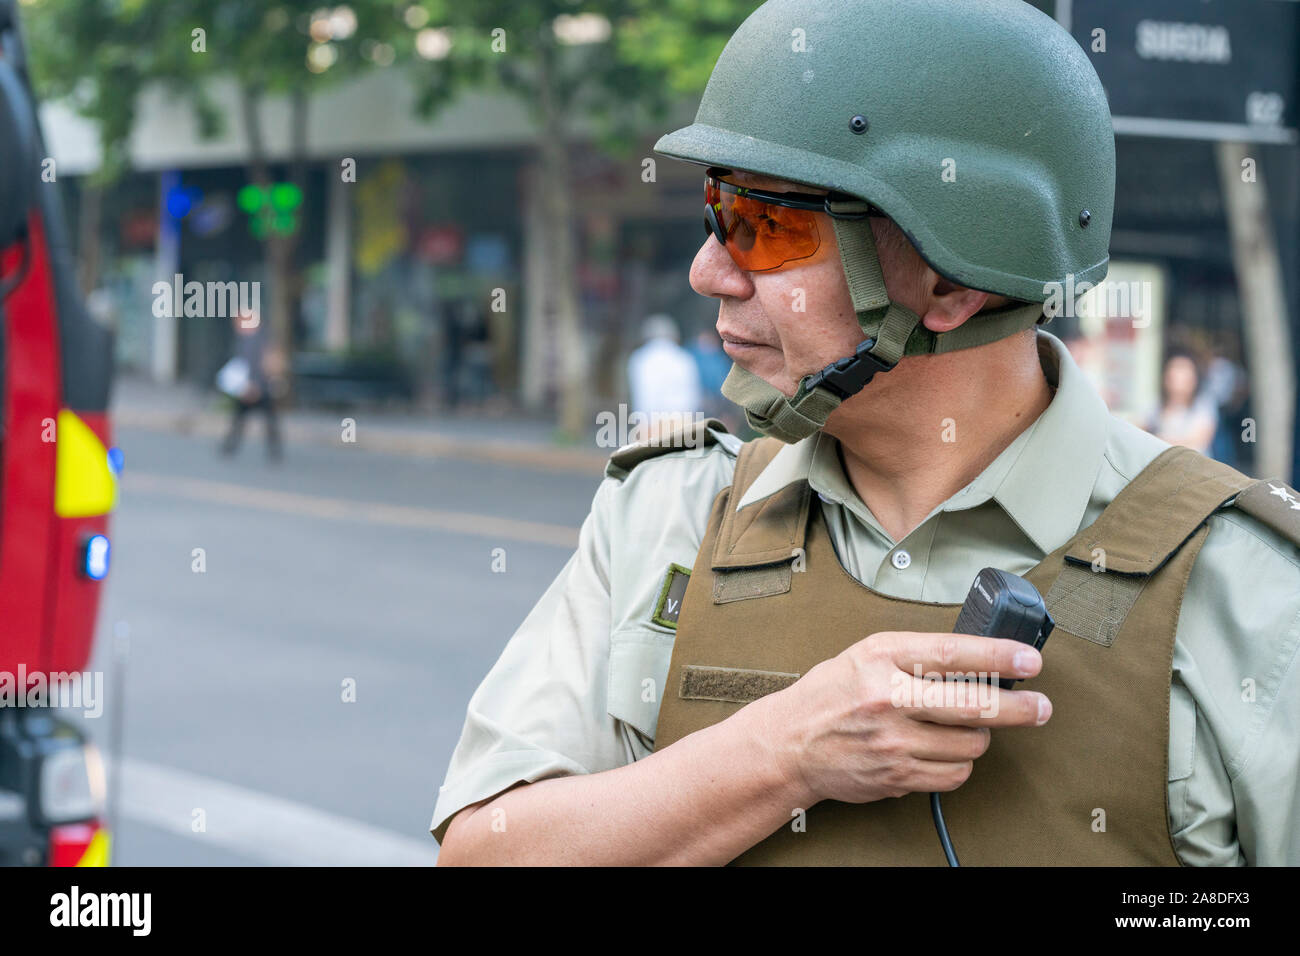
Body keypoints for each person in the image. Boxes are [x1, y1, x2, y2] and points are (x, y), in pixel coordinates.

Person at [432, 0, 1300, 866]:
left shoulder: (1251, 592)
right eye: (714, 212)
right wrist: (784, 752)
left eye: (762, 227)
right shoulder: (667, 515)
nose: (707, 272)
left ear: (952, 286)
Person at [218, 309, 284, 461]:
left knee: (265, 421)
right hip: (249, 388)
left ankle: (273, 451)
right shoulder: (248, 339)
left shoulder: (256, 341)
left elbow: (260, 365)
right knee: (243, 420)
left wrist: (254, 386)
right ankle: (230, 447)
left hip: (257, 388)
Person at [625, 314, 703, 440]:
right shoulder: (684, 358)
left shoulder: (640, 358)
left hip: (651, 421)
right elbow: (693, 394)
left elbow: (643, 395)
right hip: (682, 420)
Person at [1145, 349, 1219, 456]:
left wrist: (1157, 440)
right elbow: (1140, 427)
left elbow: (1198, 441)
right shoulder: (1157, 405)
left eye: (1184, 374)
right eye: (1174, 373)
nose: (1178, 378)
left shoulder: (1203, 405)